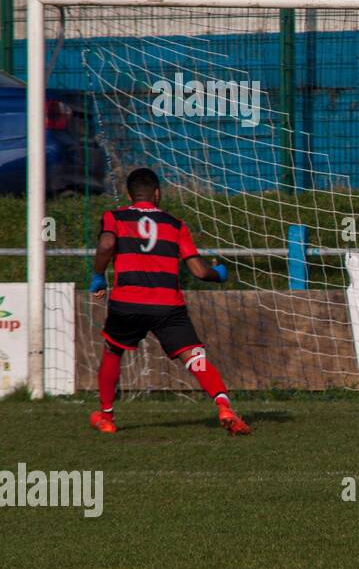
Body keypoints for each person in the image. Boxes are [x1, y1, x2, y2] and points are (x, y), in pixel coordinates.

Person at [89, 167, 251, 435]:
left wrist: (98, 277)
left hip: (127, 302)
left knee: (113, 350)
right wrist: (218, 275)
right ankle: (223, 405)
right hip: (167, 304)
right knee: (193, 356)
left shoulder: (113, 217)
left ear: (129, 195)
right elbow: (199, 271)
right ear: (157, 193)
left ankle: (107, 416)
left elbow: (106, 245)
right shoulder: (175, 224)